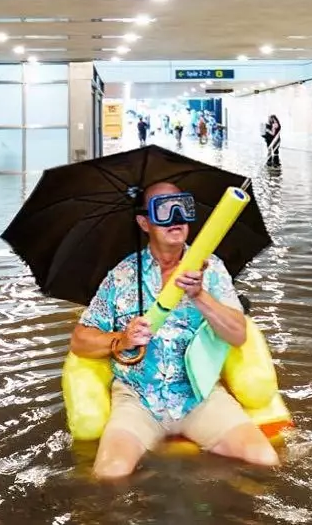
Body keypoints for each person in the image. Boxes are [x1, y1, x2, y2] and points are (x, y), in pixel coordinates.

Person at [71, 182, 279, 479]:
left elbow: (238, 335)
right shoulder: (122, 275)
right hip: (138, 397)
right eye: (164, 209)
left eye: (183, 206)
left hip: (199, 394)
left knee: (264, 460)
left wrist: (200, 296)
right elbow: (81, 340)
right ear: (144, 222)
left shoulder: (212, 269)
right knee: (110, 474)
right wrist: (123, 338)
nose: (177, 217)